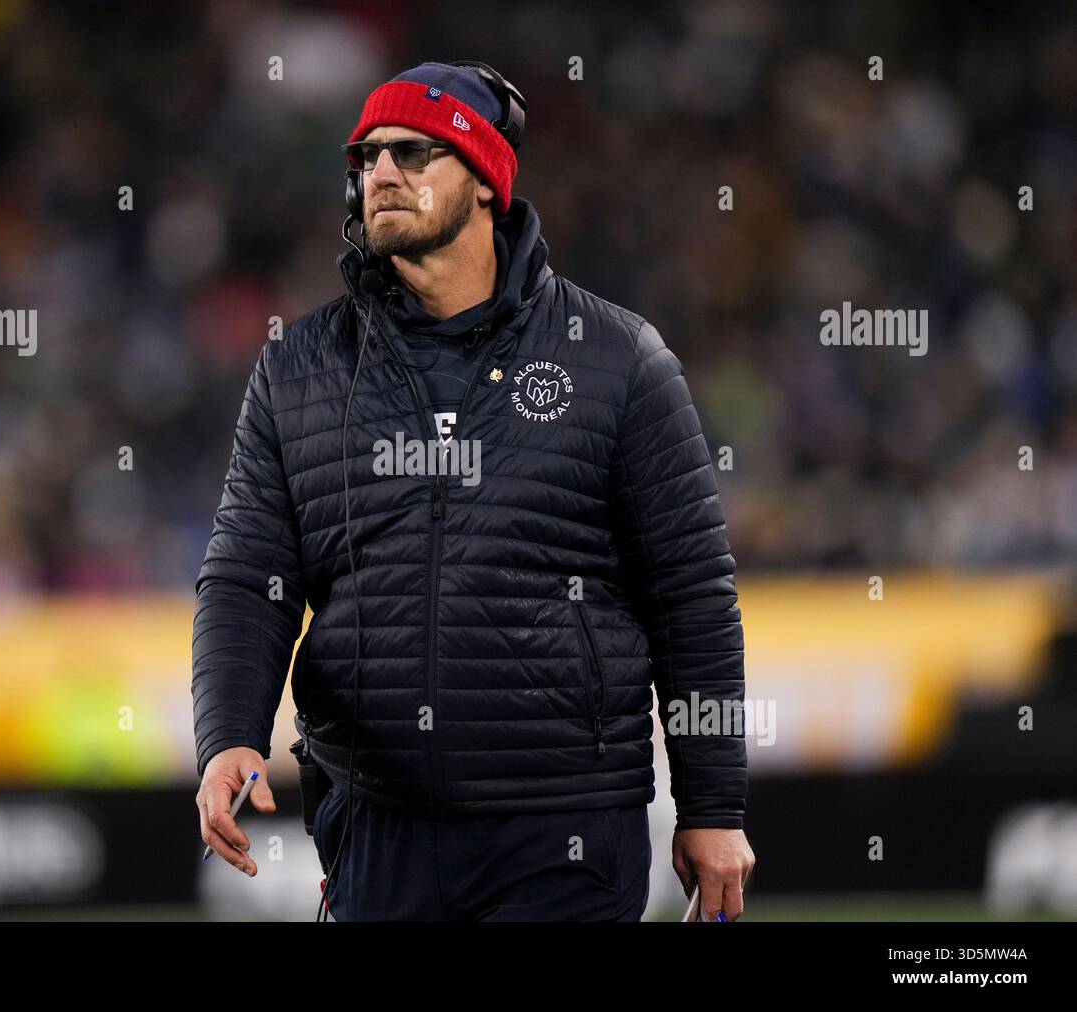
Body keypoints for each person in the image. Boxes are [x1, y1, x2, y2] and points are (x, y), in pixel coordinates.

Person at [193, 60, 754, 921]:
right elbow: (245, 580)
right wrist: (229, 729)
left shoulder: (617, 360)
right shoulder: (297, 369)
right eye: (367, 157)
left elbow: (690, 597)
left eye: (413, 153)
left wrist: (712, 805)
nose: (380, 173)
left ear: (487, 178)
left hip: (563, 825)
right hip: (374, 821)